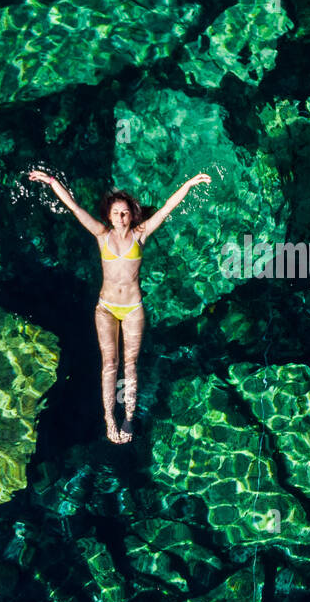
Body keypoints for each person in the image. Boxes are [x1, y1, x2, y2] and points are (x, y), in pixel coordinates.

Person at [28, 169, 212, 443]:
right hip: (106, 308)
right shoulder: (102, 235)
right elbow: (74, 207)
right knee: (109, 364)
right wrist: (52, 181)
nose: (121, 217)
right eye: (116, 213)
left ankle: (128, 416)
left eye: (125, 212)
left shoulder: (141, 234)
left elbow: (167, 208)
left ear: (132, 215)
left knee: (130, 364)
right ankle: (108, 418)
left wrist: (189, 183)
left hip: (133, 309)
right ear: (109, 216)